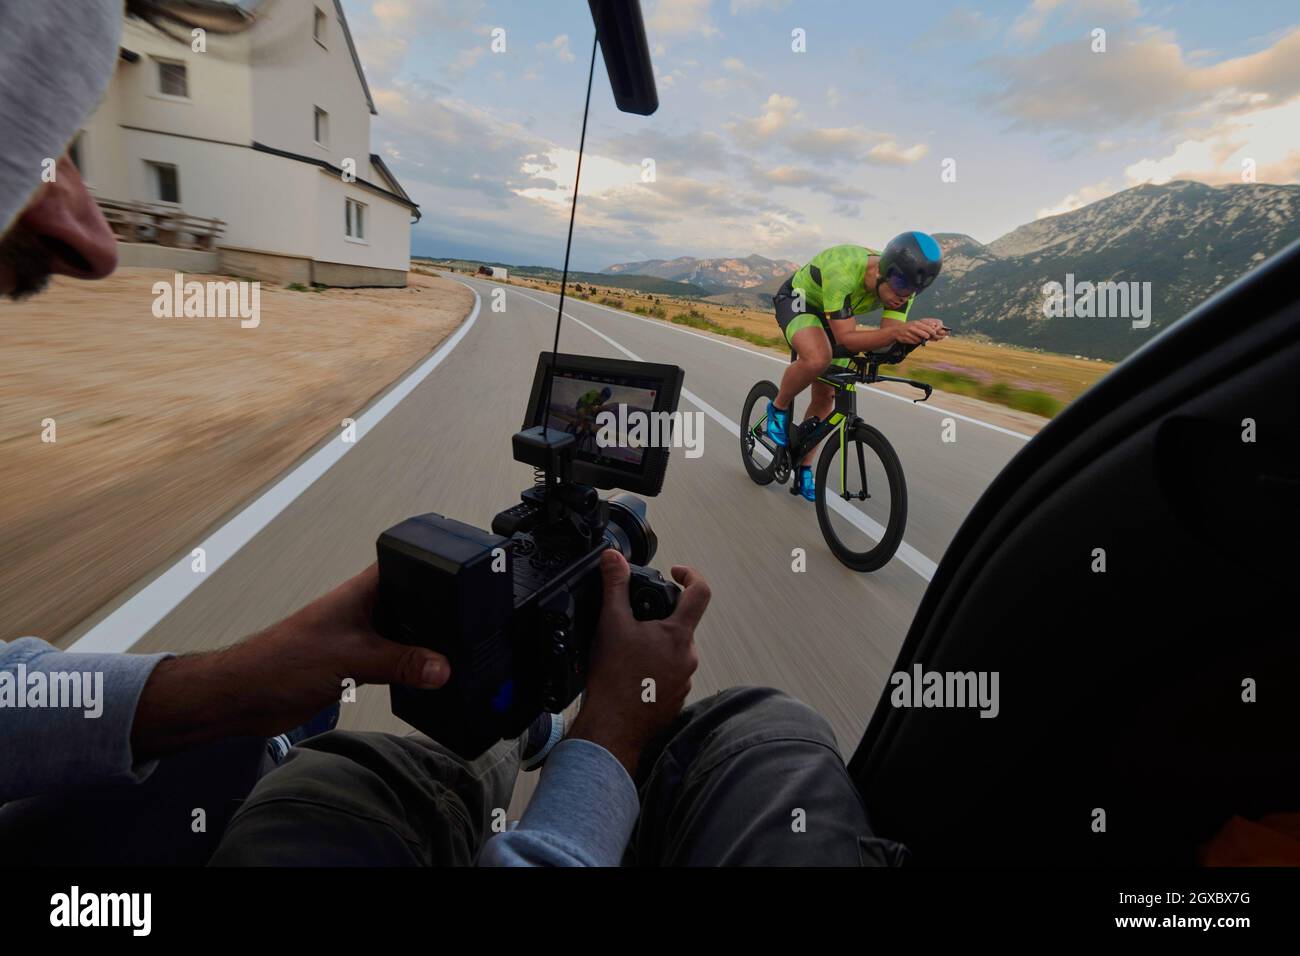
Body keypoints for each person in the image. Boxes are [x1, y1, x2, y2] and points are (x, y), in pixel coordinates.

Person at [0, 0, 903, 868]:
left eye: (66, 152)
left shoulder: (881, 282)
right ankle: (523, 744)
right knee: (764, 734)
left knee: (311, 754)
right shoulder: (837, 272)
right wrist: (611, 741)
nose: (94, 238)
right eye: (33, 151)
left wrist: (237, 682)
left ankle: (435, 737)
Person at [767, 235, 948, 501]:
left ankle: (804, 466)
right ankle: (778, 408)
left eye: (914, 290)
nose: (904, 295)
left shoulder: (901, 292)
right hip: (799, 300)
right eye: (900, 284)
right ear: (884, 270)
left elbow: (883, 344)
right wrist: (899, 331)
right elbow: (847, 339)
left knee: (826, 394)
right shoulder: (843, 271)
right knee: (818, 358)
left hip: (836, 317)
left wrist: (917, 334)